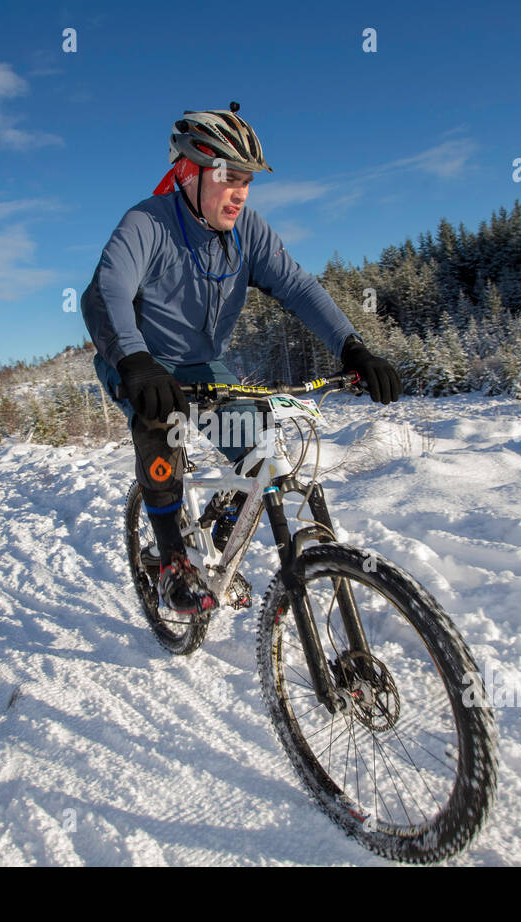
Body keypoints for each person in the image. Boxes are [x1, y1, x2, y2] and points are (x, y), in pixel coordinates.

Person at [82, 104, 401, 615]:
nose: (240, 192)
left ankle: (222, 537)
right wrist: (134, 360)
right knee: (161, 431)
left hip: (205, 367)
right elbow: (106, 292)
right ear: (190, 171)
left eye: (247, 180)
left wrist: (352, 346)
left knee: (261, 449)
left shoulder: (248, 231)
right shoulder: (148, 222)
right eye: (229, 176)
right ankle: (172, 561)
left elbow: (298, 288)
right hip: (137, 359)